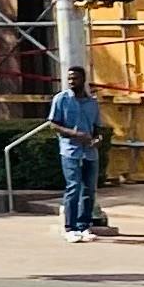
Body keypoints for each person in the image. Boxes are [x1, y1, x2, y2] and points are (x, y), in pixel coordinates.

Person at [48, 63, 104, 241]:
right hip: (70, 150)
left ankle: (84, 226)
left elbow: (97, 127)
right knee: (73, 187)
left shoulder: (92, 103)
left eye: (75, 78)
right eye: (69, 78)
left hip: (89, 152)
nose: (72, 81)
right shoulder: (61, 99)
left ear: (83, 80)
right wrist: (74, 134)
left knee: (89, 189)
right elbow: (53, 124)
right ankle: (70, 227)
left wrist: (98, 138)